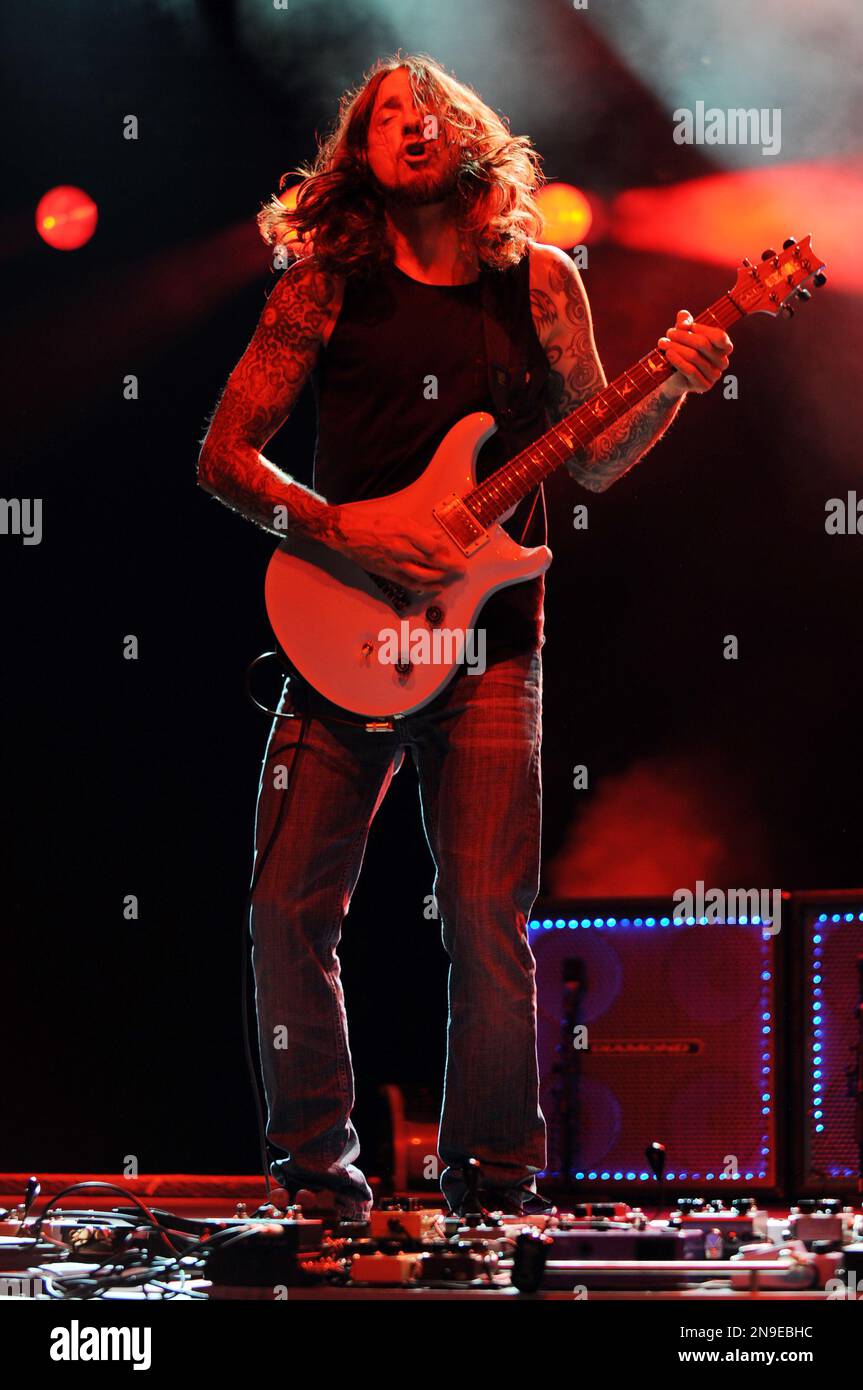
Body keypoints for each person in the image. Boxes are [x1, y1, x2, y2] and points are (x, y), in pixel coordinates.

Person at [197, 55, 732, 1220]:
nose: (408, 123)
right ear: (360, 157)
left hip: (488, 646)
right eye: (384, 115)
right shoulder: (322, 288)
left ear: (468, 137)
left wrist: (676, 385)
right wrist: (345, 534)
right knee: (287, 908)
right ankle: (318, 1187)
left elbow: (590, 456)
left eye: (425, 107)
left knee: (489, 921)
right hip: (339, 631)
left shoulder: (540, 282)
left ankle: (491, 1190)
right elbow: (224, 457)